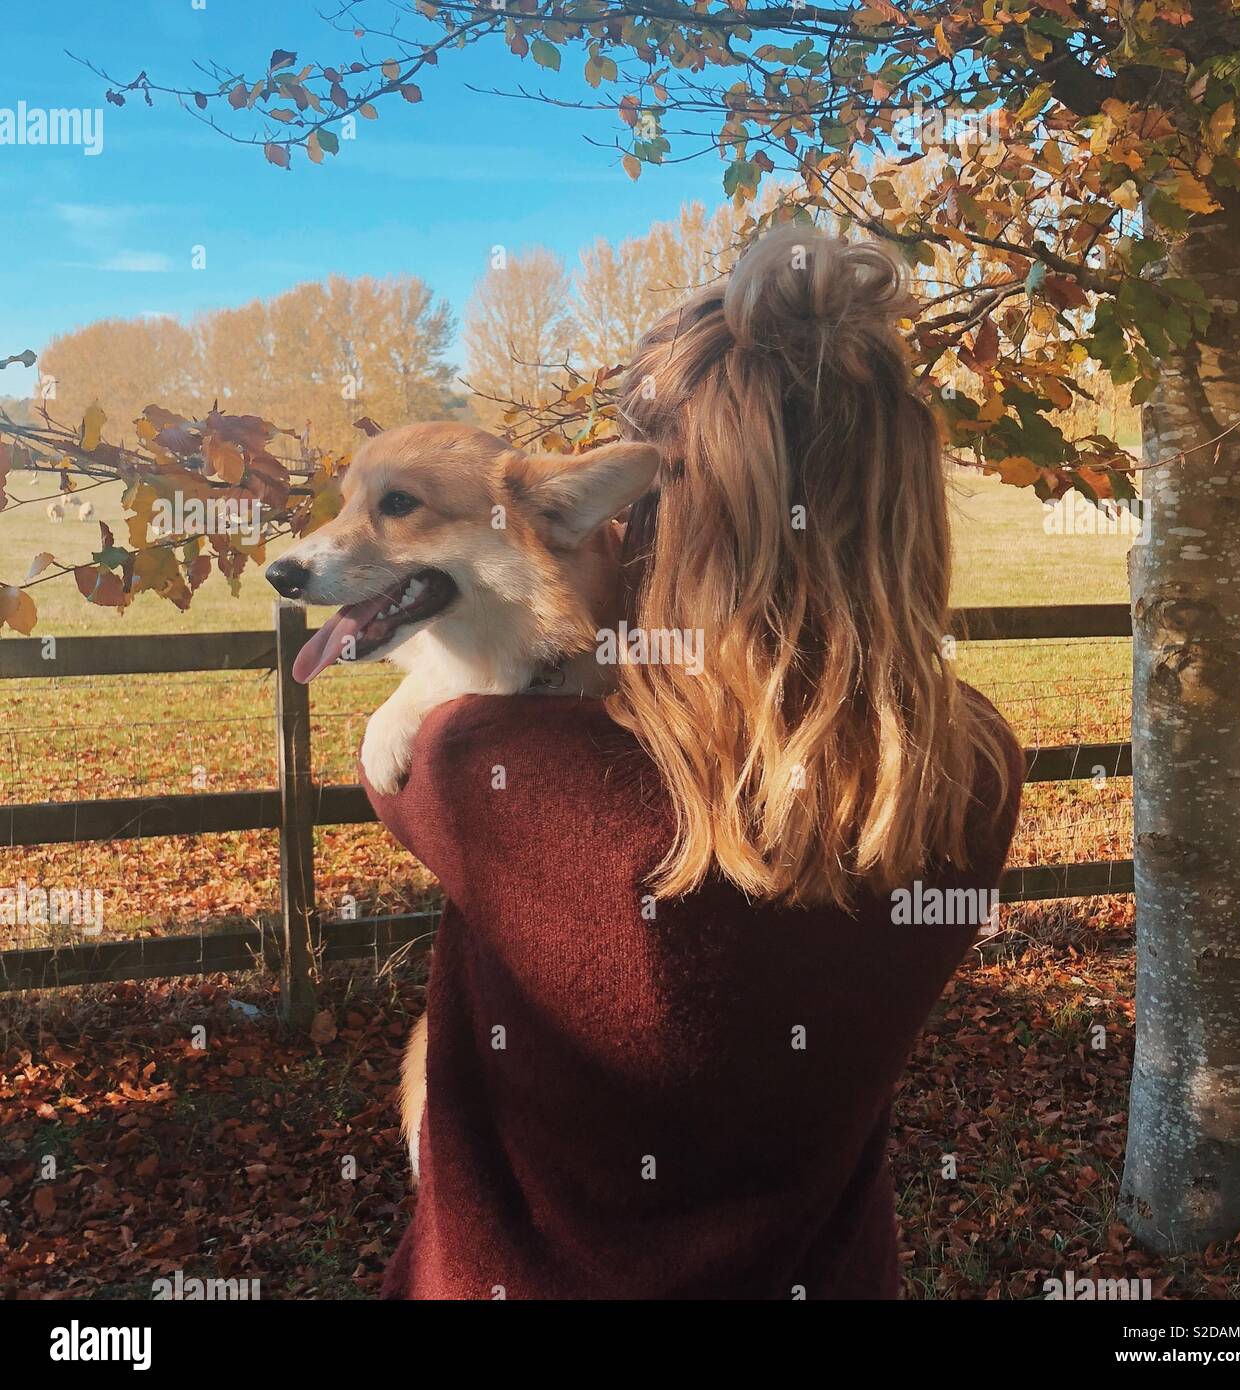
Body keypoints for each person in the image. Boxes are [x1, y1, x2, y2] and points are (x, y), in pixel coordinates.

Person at [363, 224, 1024, 1299]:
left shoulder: (500, 774)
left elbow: (431, 722)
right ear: (911, 515)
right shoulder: (970, 771)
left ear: (643, 519)